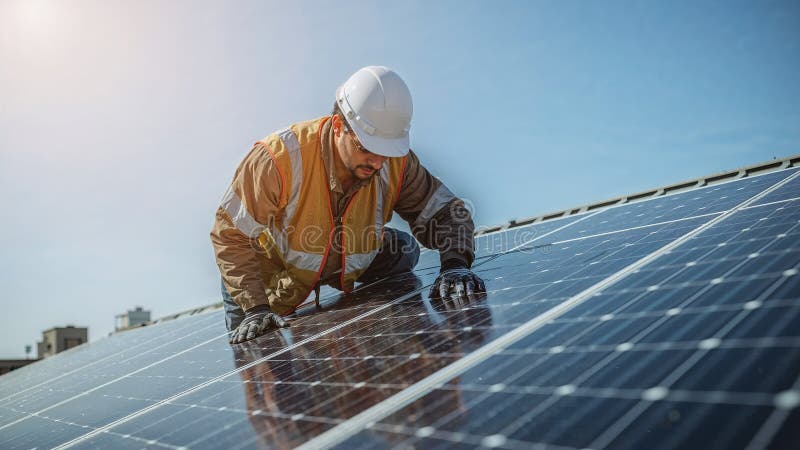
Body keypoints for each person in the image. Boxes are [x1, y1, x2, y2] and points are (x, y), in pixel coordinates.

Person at [211, 66, 486, 344]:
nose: (378, 162)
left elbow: (445, 209)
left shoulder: (395, 163)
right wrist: (255, 308)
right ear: (339, 126)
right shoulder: (279, 159)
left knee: (404, 249)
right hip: (272, 276)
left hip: (348, 253)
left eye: (386, 152)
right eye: (367, 148)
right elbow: (231, 235)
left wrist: (455, 264)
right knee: (256, 343)